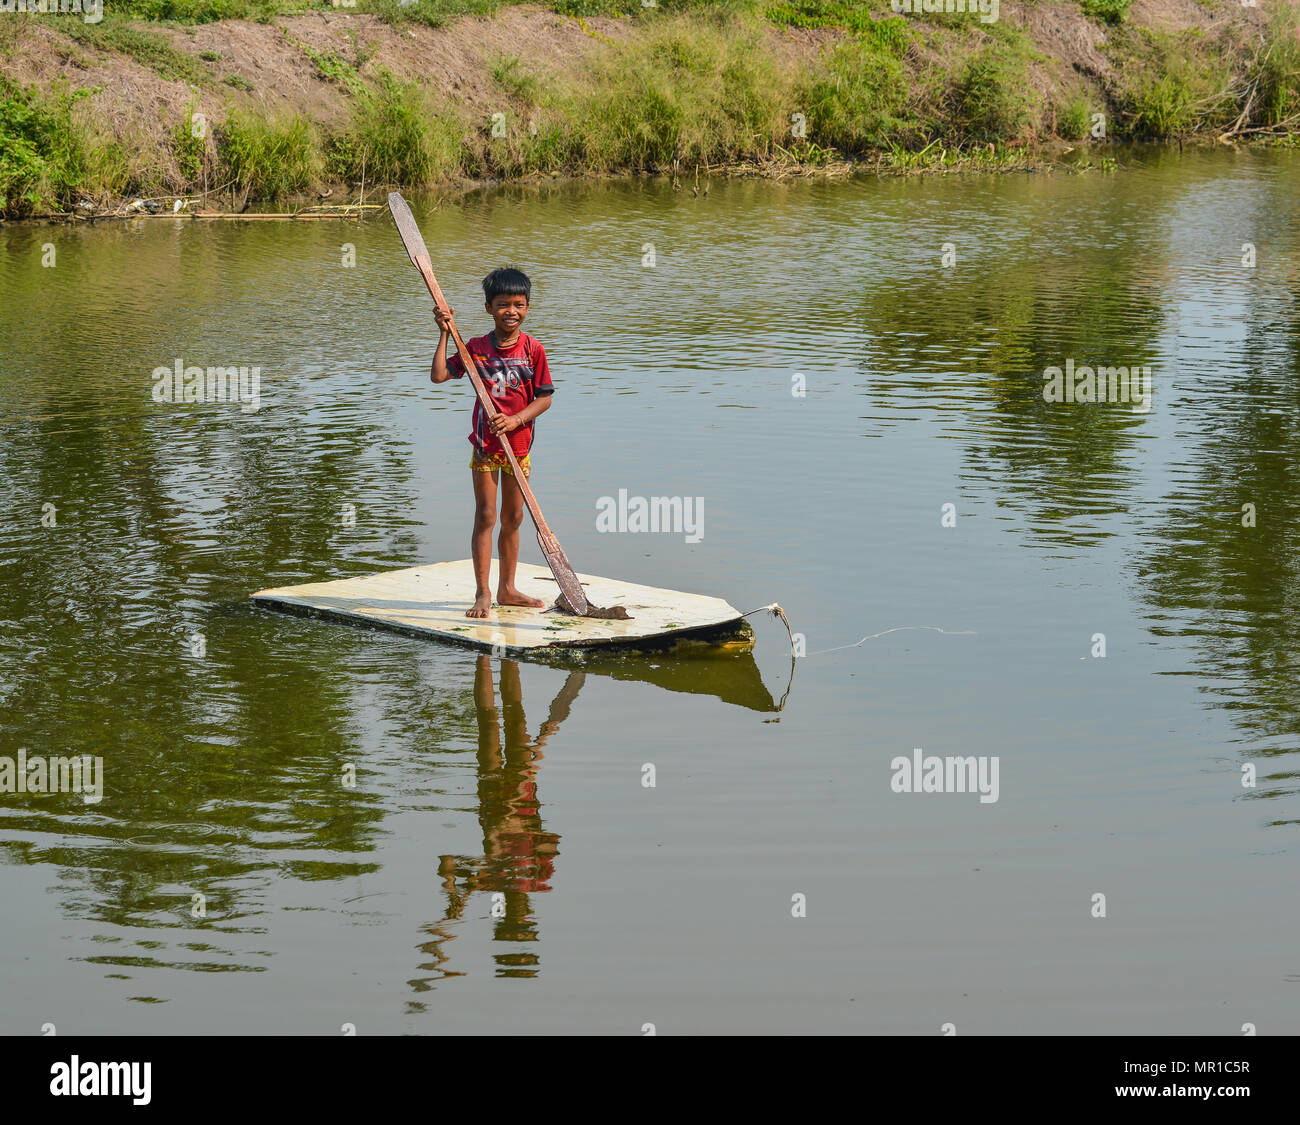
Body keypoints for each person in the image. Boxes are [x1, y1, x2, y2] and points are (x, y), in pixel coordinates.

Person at [431, 267, 554, 618]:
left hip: (518, 448)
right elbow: (439, 375)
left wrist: (515, 419)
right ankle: (483, 592)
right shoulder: (475, 350)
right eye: (503, 304)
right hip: (485, 447)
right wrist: (444, 333)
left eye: (518, 304)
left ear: (527, 307)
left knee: (513, 517)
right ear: (489, 307)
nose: (511, 311)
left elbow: (544, 399)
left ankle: (508, 588)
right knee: (486, 515)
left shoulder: (533, 350)